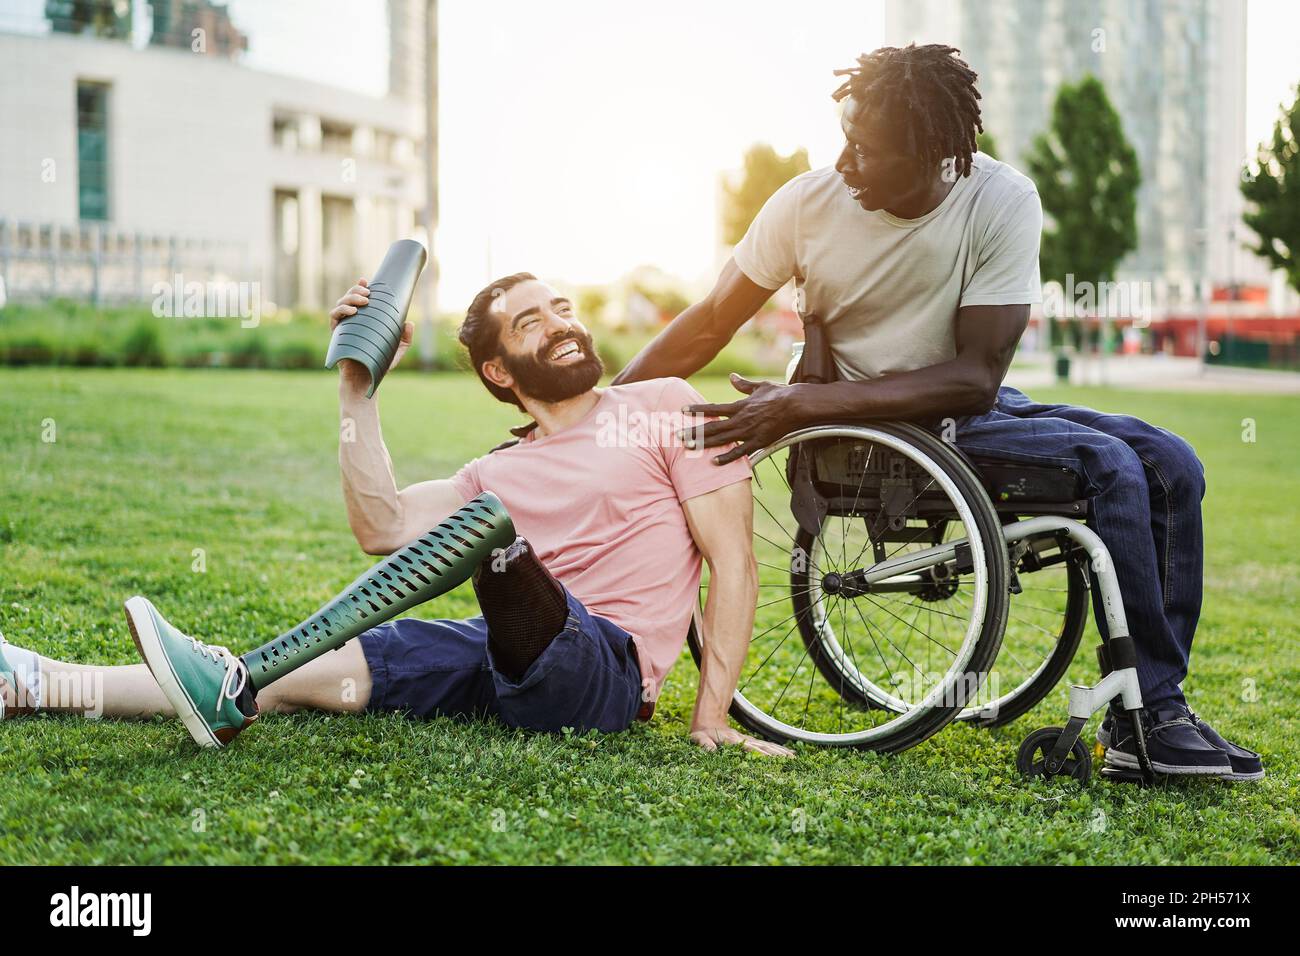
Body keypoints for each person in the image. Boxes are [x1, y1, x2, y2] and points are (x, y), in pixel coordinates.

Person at [611, 43, 1261, 781]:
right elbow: (707, 323)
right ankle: (1151, 717)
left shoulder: (1001, 200)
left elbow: (977, 377)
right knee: (1111, 467)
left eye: (867, 150)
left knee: (1172, 462)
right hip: (869, 437)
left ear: (936, 153)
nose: (845, 163)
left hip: (961, 409)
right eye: (845, 139)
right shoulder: (806, 204)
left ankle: (1157, 709)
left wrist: (805, 400)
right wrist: (605, 410)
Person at [0, 273, 792, 758]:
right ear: (497, 369)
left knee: (488, 529)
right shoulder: (499, 470)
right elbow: (381, 525)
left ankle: (237, 674)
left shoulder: (666, 405)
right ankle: (45, 684)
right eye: (530, 323)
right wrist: (356, 382)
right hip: (501, 654)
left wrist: (709, 717)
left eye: (560, 308)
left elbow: (735, 562)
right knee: (303, 678)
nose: (559, 325)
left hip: (600, 678)